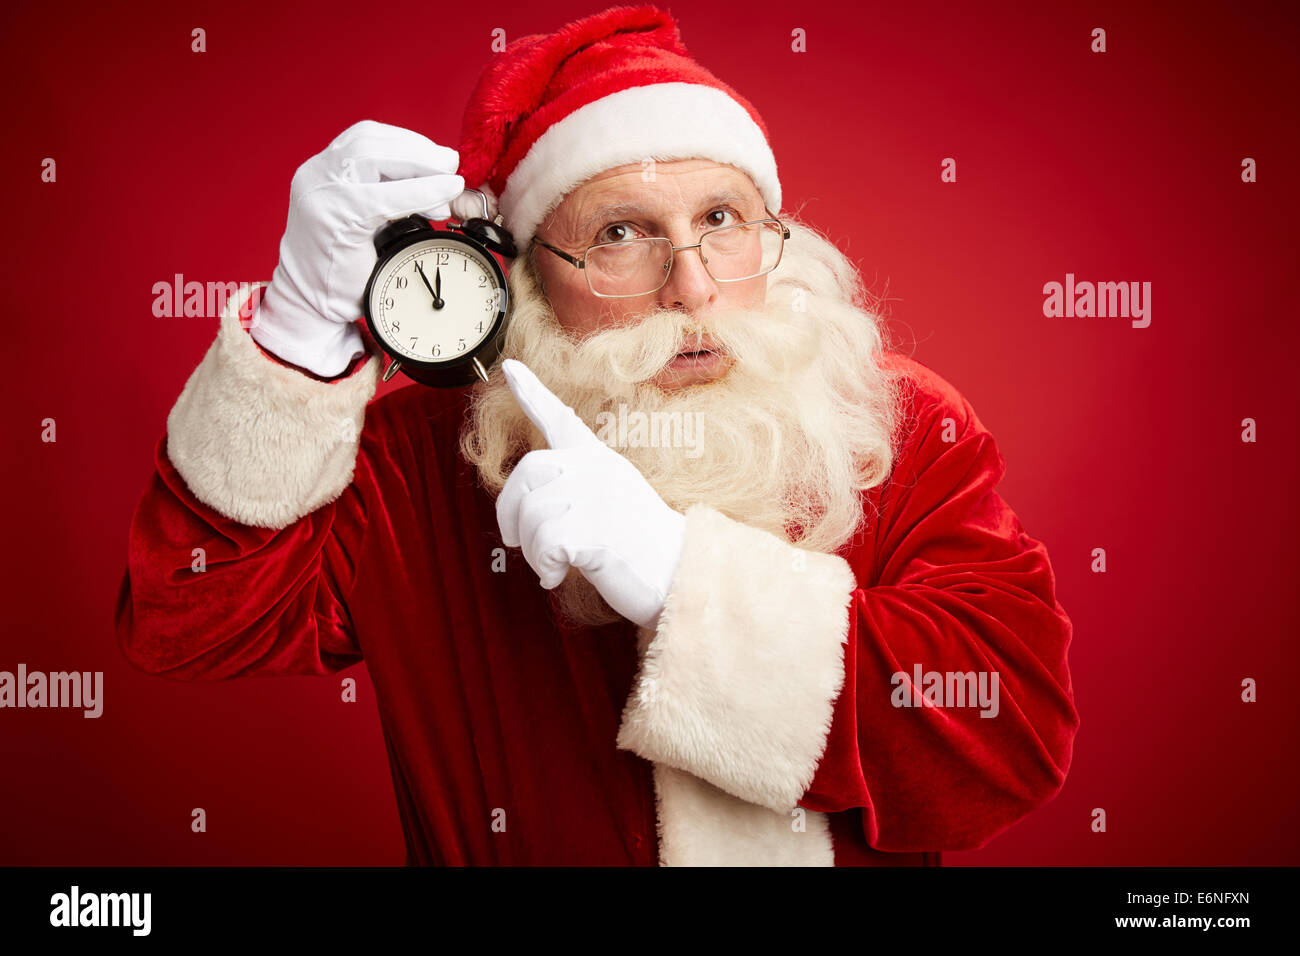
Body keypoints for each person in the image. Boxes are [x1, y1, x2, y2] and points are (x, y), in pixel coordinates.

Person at [115, 5, 1079, 866]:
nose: (693, 286)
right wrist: (295, 332)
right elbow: (193, 624)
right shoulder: (421, 456)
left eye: (721, 219)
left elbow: (1011, 737)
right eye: (622, 233)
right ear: (526, 276)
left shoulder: (897, 422)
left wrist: (683, 586)